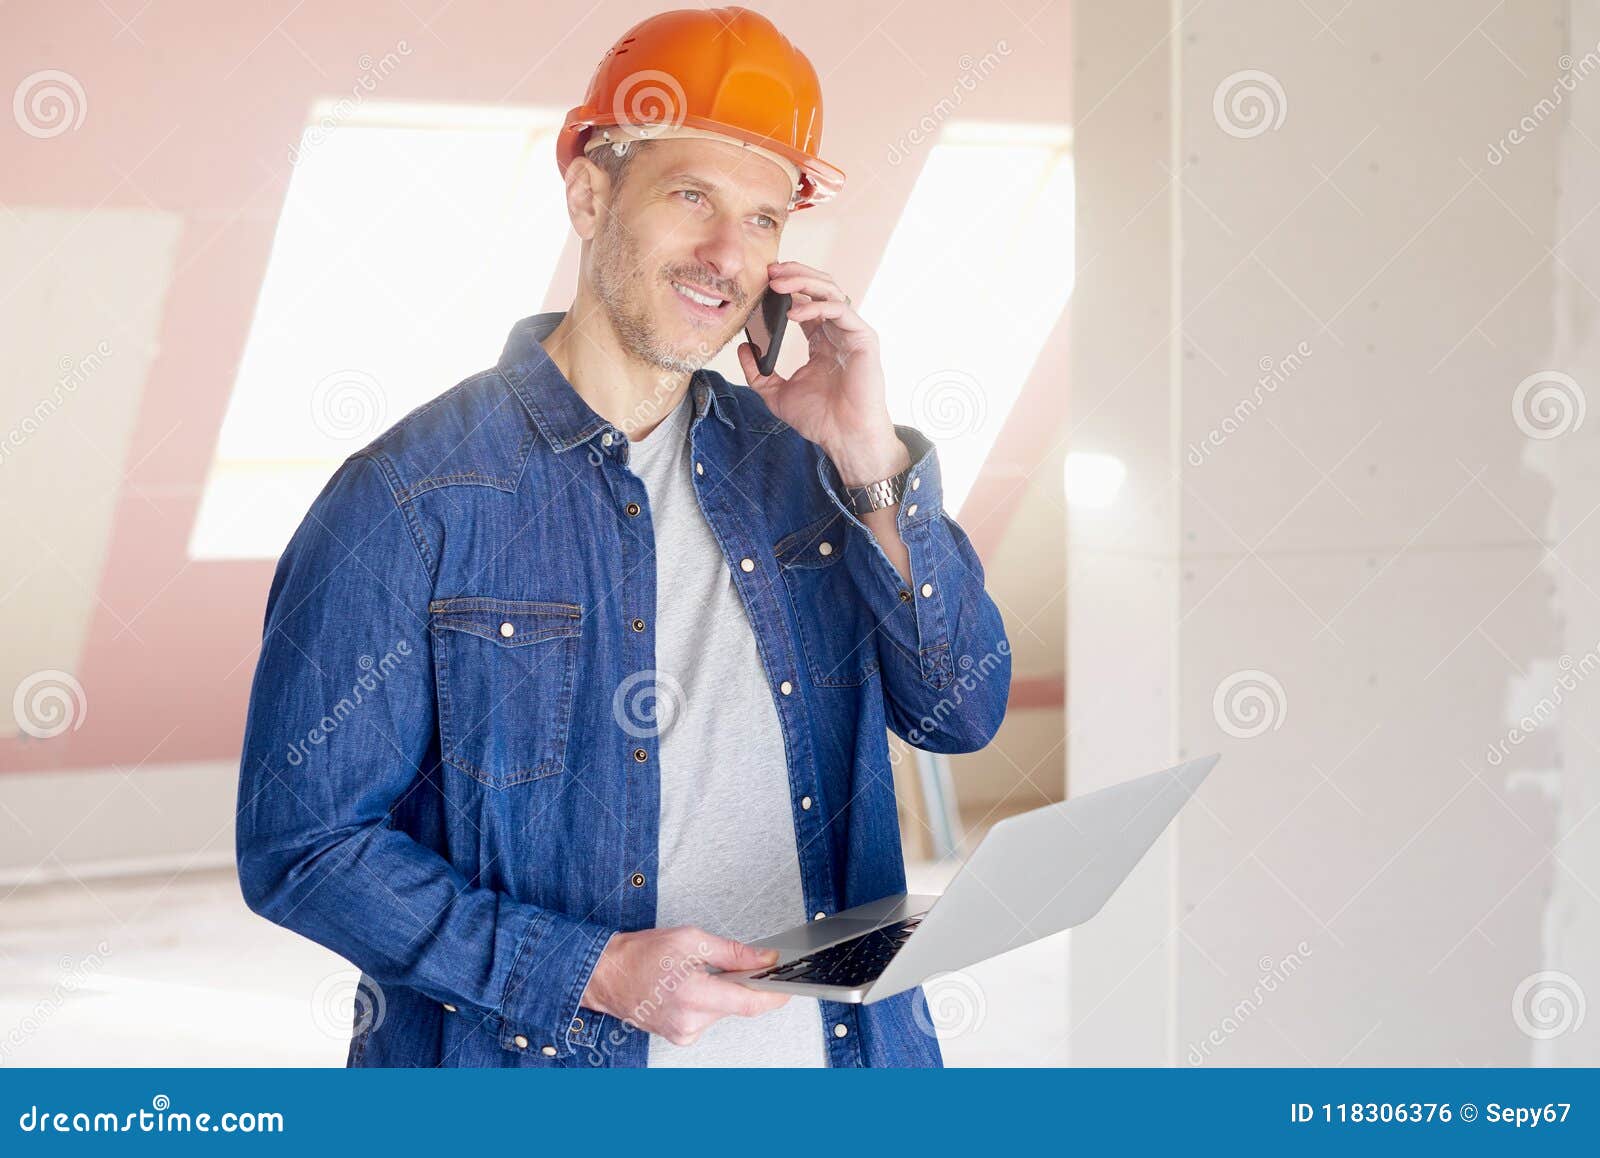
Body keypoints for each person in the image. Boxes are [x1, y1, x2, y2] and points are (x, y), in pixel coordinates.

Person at [235, 5, 1010, 1068]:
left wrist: (870, 458)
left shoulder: (810, 465)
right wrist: (590, 971)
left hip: (842, 1064)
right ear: (591, 194)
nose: (725, 255)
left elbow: (960, 711)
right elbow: (302, 848)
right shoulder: (411, 497)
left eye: (765, 219)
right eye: (692, 195)